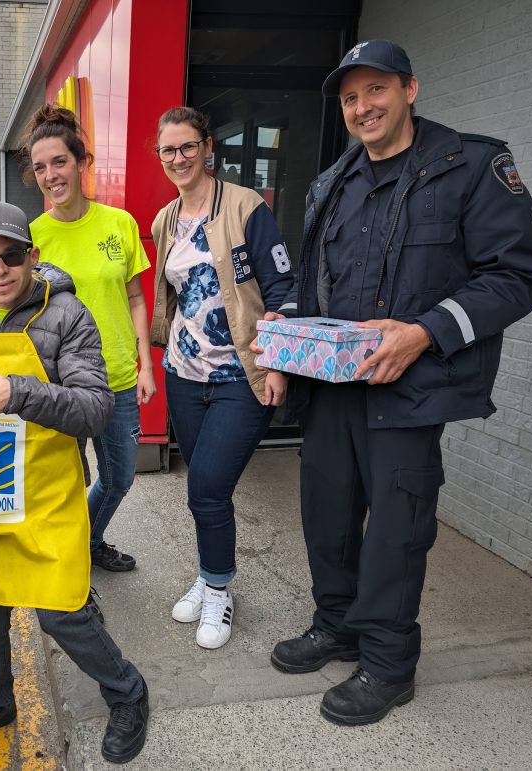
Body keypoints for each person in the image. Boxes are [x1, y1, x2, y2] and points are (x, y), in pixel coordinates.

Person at [258, 40, 532, 725]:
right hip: (332, 384)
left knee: (396, 529)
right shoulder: (332, 183)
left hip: (408, 390)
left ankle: (388, 664)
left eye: (376, 90)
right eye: (350, 97)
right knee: (327, 514)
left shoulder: (469, 166)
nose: (363, 107)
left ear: (410, 89)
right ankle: (337, 625)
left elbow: (517, 276)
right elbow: (313, 286)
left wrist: (424, 332)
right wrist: (283, 341)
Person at [0, 201, 149, 764]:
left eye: (11, 255)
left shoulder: (68, 313)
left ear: (32, 255)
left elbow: (95, 408)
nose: (0, 269)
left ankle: (128, 691)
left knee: (61, 613)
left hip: (48, 492)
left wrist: (15, 391)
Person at [149, 107, 293, 650]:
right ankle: (211, 573)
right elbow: (173, 295)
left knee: (208, 484)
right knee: (202, 490)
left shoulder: (245, 206)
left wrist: (276, 361)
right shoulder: (165, 220)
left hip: (241, 376)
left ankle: (217, 589)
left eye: (188, 146)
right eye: (168, 150)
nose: (179, 158)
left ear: (208, 147)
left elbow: (282, 288)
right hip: (183, 376)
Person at [23, 104, 155, 576]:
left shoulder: (119, 224)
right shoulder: (33, 238)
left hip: (118, 376)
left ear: (81, 162)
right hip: (61, 387)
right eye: (40, 167)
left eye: (59, 162)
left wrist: (146, 365)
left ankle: (87, 541)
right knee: (65, 485)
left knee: (120, 477)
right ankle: (71, 568)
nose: (50, 176)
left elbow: (135, 298)